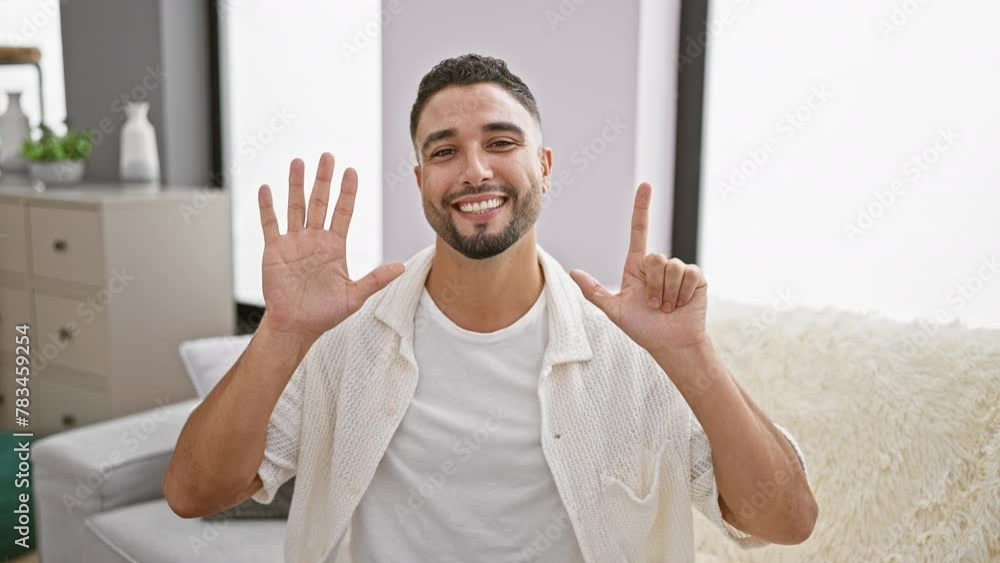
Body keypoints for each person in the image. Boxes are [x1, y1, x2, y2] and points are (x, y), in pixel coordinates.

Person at [163, 53, 818, 563]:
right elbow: (193, 492)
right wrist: (282, 331)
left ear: (545, 165)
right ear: (420, 180)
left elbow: (787, 520)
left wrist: (691, 355)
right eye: (444, 150)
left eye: (501, 142)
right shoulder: (344, 338)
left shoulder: (632, 348)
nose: (474, 170)